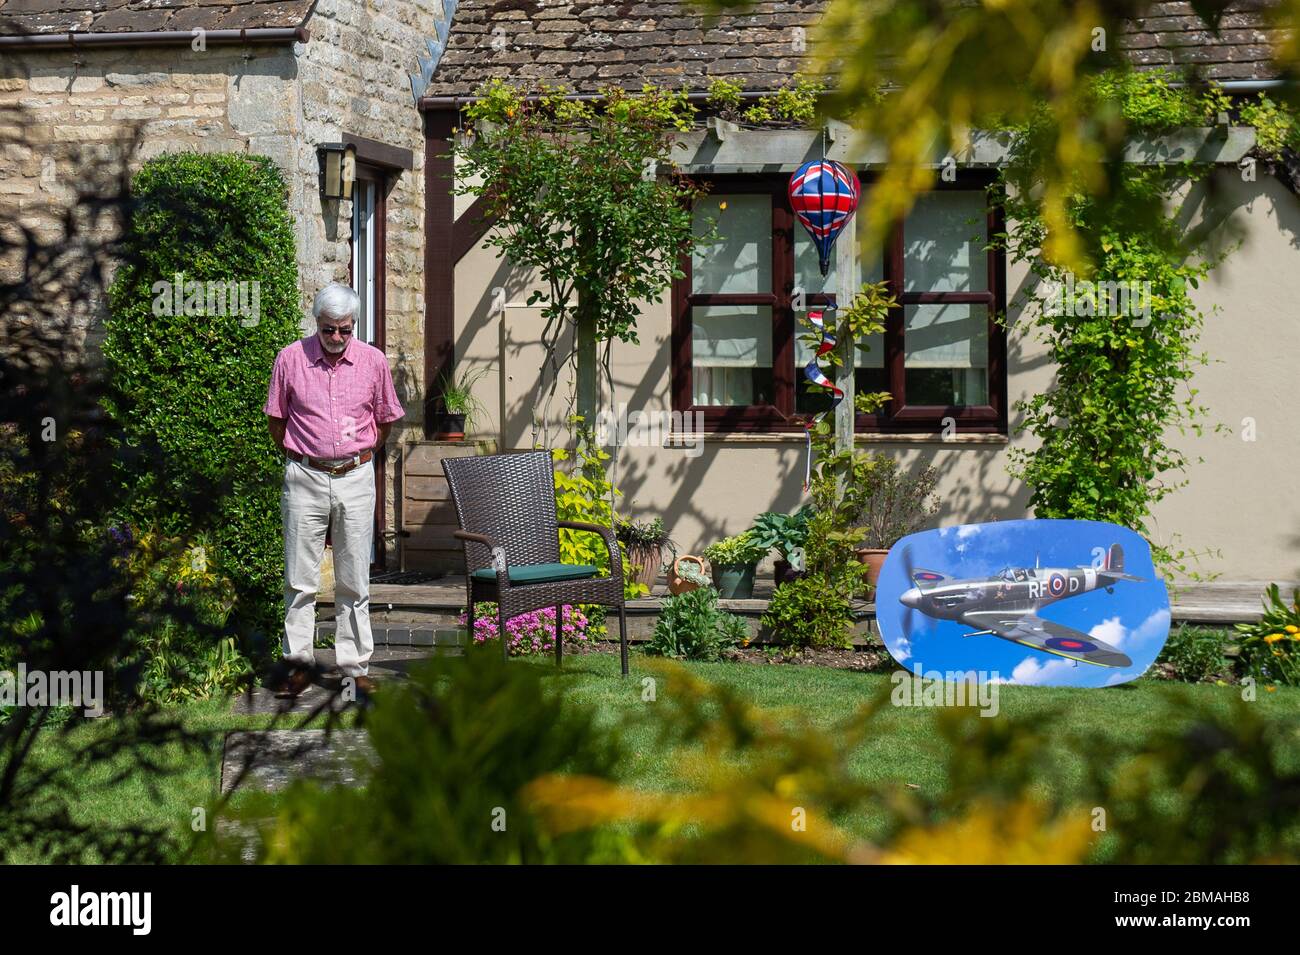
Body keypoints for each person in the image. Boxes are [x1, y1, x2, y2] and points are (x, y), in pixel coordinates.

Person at [263, 283, 404, 698]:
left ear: (353, 325)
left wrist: (357, 456)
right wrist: (307, 456)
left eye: (345, 329)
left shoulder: (373, 361)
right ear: (317, 324)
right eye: (329, 330)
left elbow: (384, 420)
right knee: (300, 580)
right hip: (304, 476)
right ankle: (298, 667)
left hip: (357, 477)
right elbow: (277, 420)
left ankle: (354, 669)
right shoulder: (291, 358)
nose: (338, 338)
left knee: (354, 579)